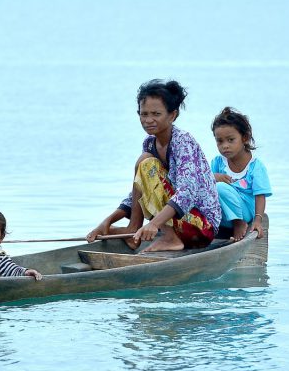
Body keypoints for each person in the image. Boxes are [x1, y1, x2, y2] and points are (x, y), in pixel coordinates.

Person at [87, 80, 222, 252]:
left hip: (202, 228)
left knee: (146, 163)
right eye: (144, 114)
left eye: (156, 114)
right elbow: (140, 189)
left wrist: (153, 224)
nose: (148, 120)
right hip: (180, 223)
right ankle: (132, 229)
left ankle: (170, 238)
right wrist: (108, 220)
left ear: (172, 115)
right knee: (144, 161)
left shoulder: (183, 142)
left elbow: (186, 192)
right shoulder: (150, 143)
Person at [211, 107, 271, 240]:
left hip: (245, 212)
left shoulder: (255, 166)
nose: (225, 146)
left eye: (230, 140)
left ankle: (239, 223)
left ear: (245, 138)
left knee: (220, 187)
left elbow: (260, 195)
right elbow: (204, 183)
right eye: (220, 141)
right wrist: (214, 177)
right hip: (224, 215)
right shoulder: (218, 162)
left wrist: (257, 220)